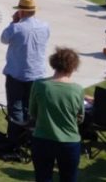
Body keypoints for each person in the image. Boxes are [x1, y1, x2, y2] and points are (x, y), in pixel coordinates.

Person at [29, 47, 84, 182]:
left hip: (42, 139)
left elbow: (33, 112)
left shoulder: (39, 85)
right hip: (69, 142)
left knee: (43, 177)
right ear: (73, 67)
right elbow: (80, 117)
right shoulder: (77, 89)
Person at [1, 0, 51, 140]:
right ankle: (30, 137)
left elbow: (4, 39)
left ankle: (15, 139)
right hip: (37, 74)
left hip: (17, 73)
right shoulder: (45, 26)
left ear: (21, 12)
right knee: (32, 108)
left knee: (16, 107)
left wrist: (13, 22)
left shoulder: (16, 28)